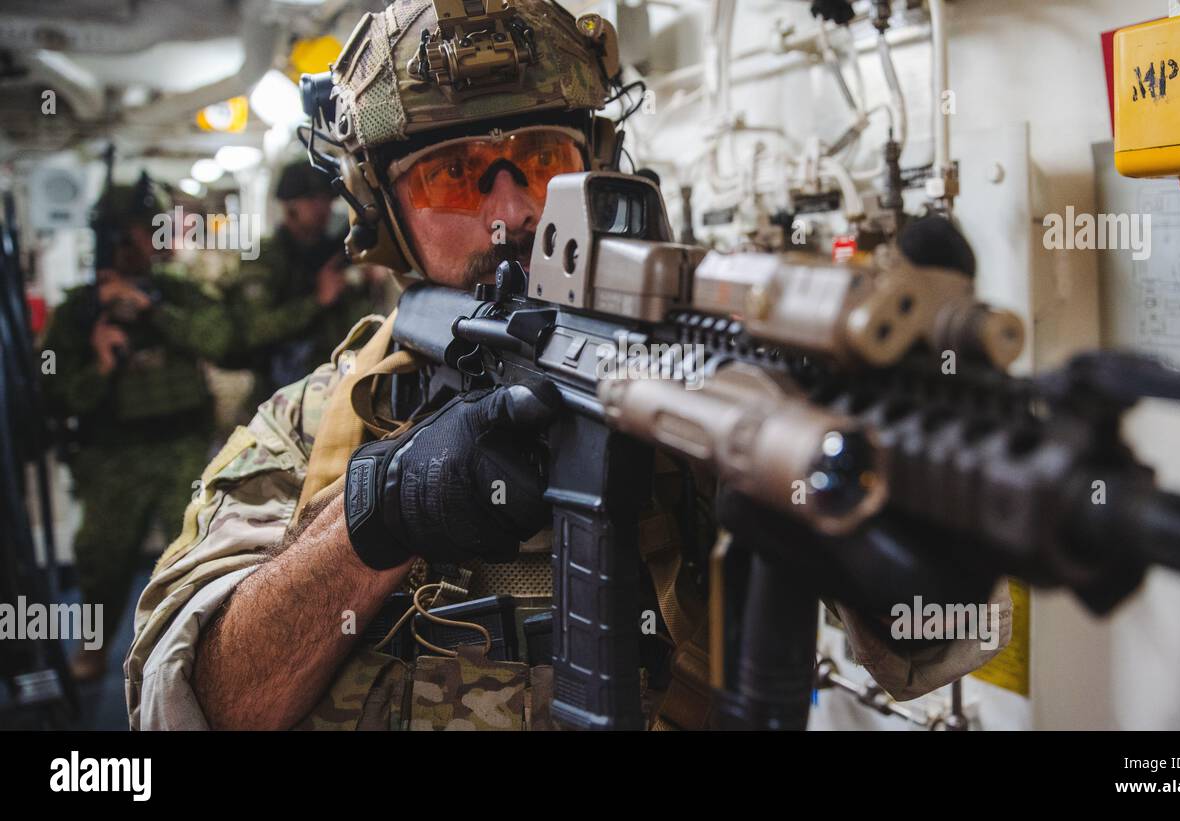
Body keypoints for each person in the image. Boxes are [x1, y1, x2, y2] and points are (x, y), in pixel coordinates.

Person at [126, 0, 1009, 730]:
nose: (513, 211)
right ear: (383, 211)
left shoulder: (686, 395)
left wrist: (926, 496)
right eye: (453, 176)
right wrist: (380, 509)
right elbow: (188, 706)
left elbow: (925, 648)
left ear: (598, 164)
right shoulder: (320, 421)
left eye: (545, 160)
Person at [42, 173, 234, 680]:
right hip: (113, 454)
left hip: (182, 445)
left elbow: (220, 341)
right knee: (101, 559)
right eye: (140, 232)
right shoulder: (79, 310)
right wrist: (101, 362)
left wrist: (153, 310)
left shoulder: (178, 293)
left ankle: (190, 659)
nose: (152, 242)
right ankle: (92, 650)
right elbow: (54, 392)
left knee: (193, 556)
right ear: (117, 237)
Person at [222, 160, 376, 409]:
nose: (322, 207)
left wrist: (366, 284)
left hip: (336, 386)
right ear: (289, 205)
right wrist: (317, 300)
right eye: (312, 200)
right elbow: (253, 330)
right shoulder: (265, 257)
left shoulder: (336, 250)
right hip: (278, 397)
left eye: (326, 199)